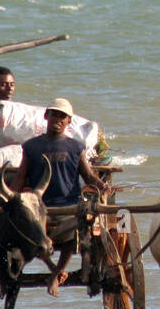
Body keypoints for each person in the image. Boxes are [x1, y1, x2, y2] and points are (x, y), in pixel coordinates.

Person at [14, 98, 110, 295]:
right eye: (54, 114)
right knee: (33, 237)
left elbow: (89, 176)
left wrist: (102, 186)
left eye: (62, 116)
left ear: (68, 121)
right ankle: (53, 269)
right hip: (40, 209)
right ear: (46, 116)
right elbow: (21, 177)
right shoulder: (31, 147)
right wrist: (10, 199)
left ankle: (56, 275)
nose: (57, 119)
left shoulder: (76, 147)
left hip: (69, 208)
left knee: (75, 234)